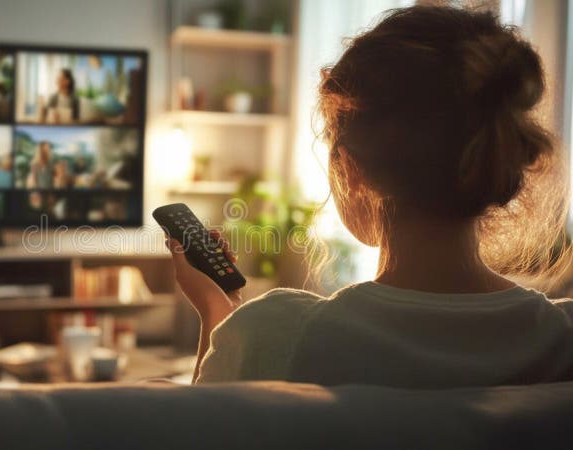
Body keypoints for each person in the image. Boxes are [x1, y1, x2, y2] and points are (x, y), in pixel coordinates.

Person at [168, 6, 573, 388]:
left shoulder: (276, 335)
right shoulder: (560, 337)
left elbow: (202, 427)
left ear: (351, 168)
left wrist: (216, 312)